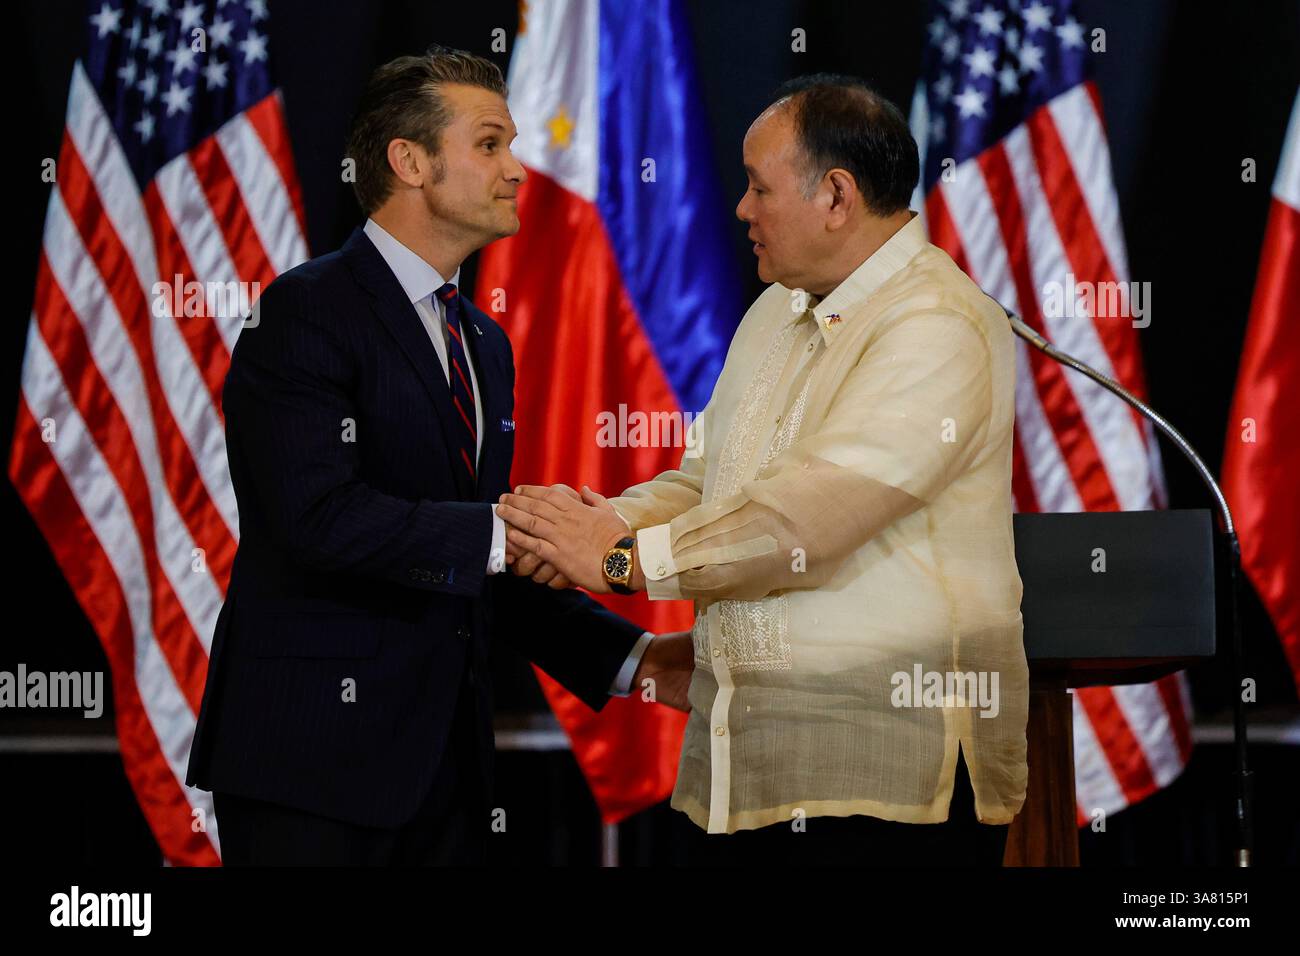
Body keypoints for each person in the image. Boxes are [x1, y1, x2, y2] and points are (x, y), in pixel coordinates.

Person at [499, 74, 1028, 865]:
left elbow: (805, 520)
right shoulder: (777, 309)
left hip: (879, 780)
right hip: (746, 766)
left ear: (837, 195)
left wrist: (617, 561)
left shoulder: (938, 324)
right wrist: (595, 521)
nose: (741, 209)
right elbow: (709, 482)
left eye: (757, 187)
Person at [184, 46, 693, 867]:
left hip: (448, 775)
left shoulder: (484, 343)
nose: (518, 170)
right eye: (490, 144)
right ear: (410, 161)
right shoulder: (304, 312)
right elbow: (319, 518)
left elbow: (477, 567)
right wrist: (513, 532)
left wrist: (638, 660)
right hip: (310, 770)